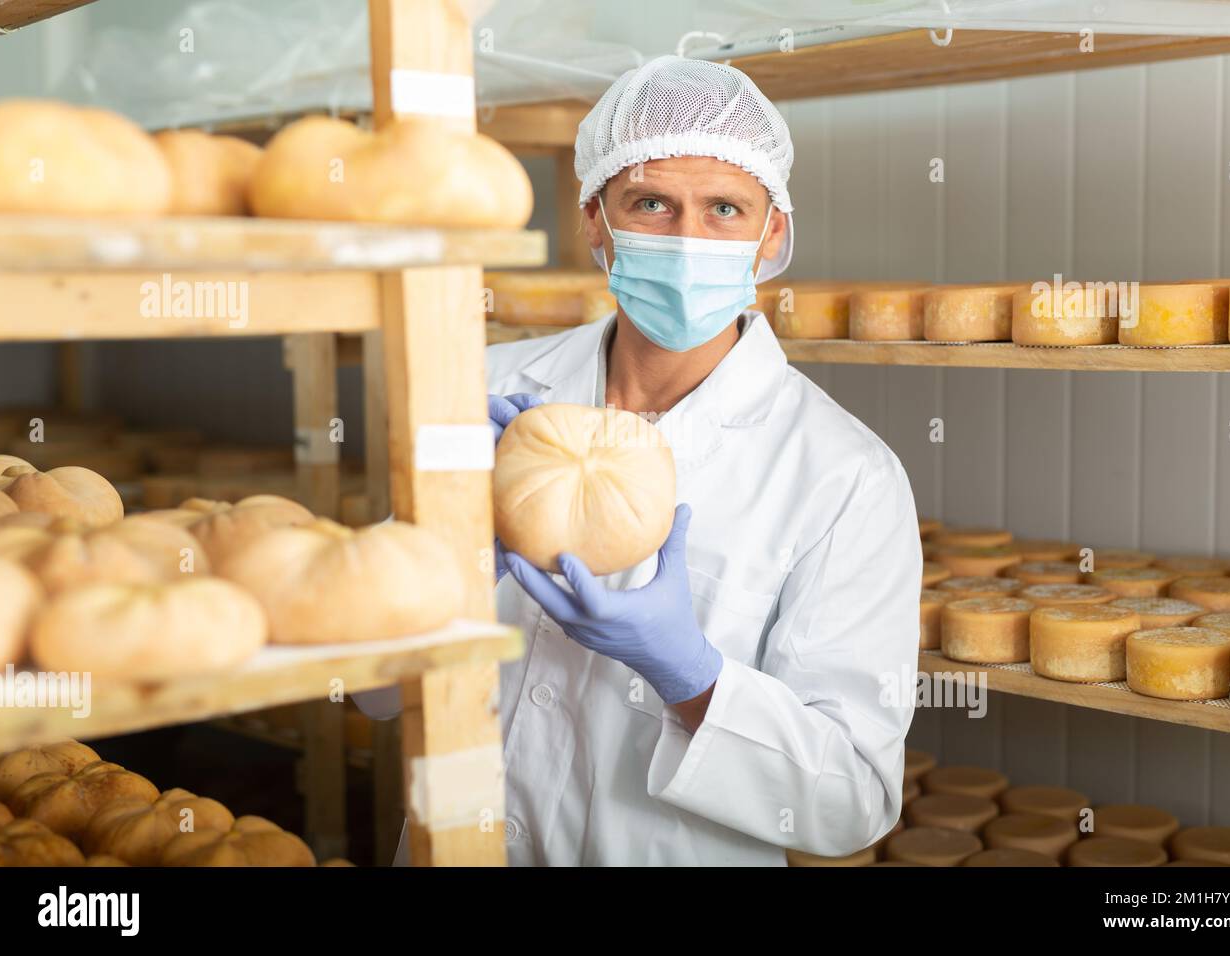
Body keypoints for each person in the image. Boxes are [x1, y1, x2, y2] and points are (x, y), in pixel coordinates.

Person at [360, 54, 921, 866]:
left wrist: (689, 675)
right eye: (650, 203)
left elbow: (851, 803)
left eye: (725, 208)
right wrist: (450, 562)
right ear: (595, 218)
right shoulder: (488, 388)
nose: (688, 239)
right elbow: (370, 689)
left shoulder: (845, 476)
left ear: (771, 234)